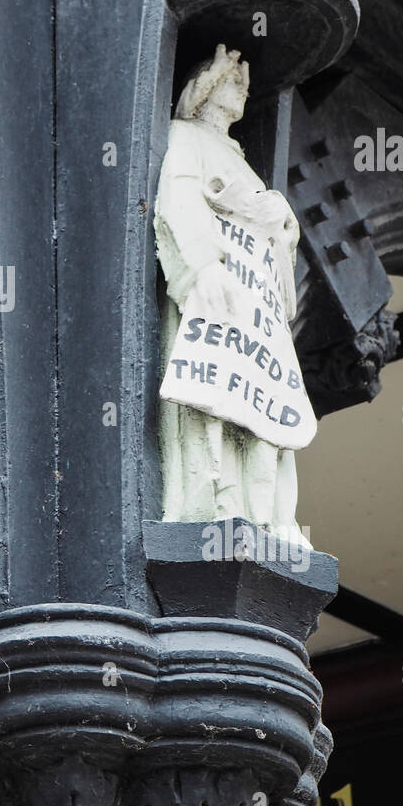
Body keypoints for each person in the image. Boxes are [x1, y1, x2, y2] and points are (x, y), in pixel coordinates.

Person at [154, 44, 309, 542]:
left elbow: (270, 235)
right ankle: (214, 505)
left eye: (244, 83)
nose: (241, 86)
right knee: (213, 409)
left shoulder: (240, 160)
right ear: (202, 89)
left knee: (262, 418)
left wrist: (281, 224)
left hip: (257, 313)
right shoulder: (186, 137)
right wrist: (203, 266)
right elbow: (177, 194)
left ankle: (268, 516)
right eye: (230, 80)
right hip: (222, 296)